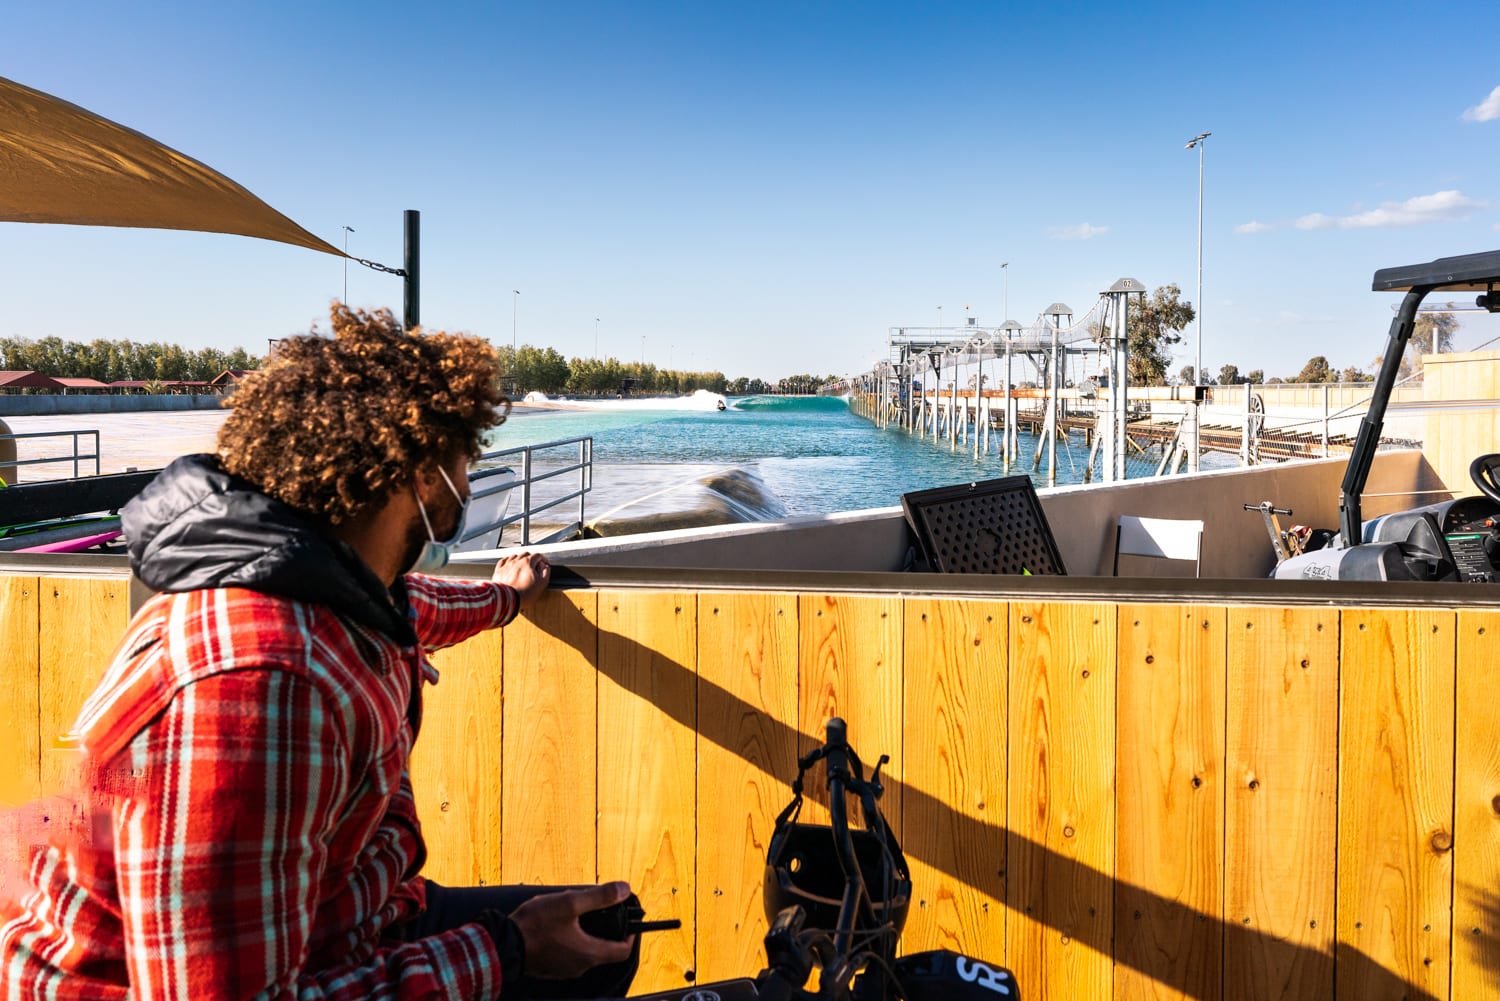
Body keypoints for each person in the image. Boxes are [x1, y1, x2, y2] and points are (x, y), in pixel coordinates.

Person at [0, 305, 636, 999]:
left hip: (348, 917)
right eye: (467, 456)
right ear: (424, 475)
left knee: (608, 941)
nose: (469, 473)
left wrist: (506, 598)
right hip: (190, 977)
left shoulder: (321, 583)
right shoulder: (259, 686)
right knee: (574, 952)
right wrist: (507, 949)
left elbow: (413, 607)